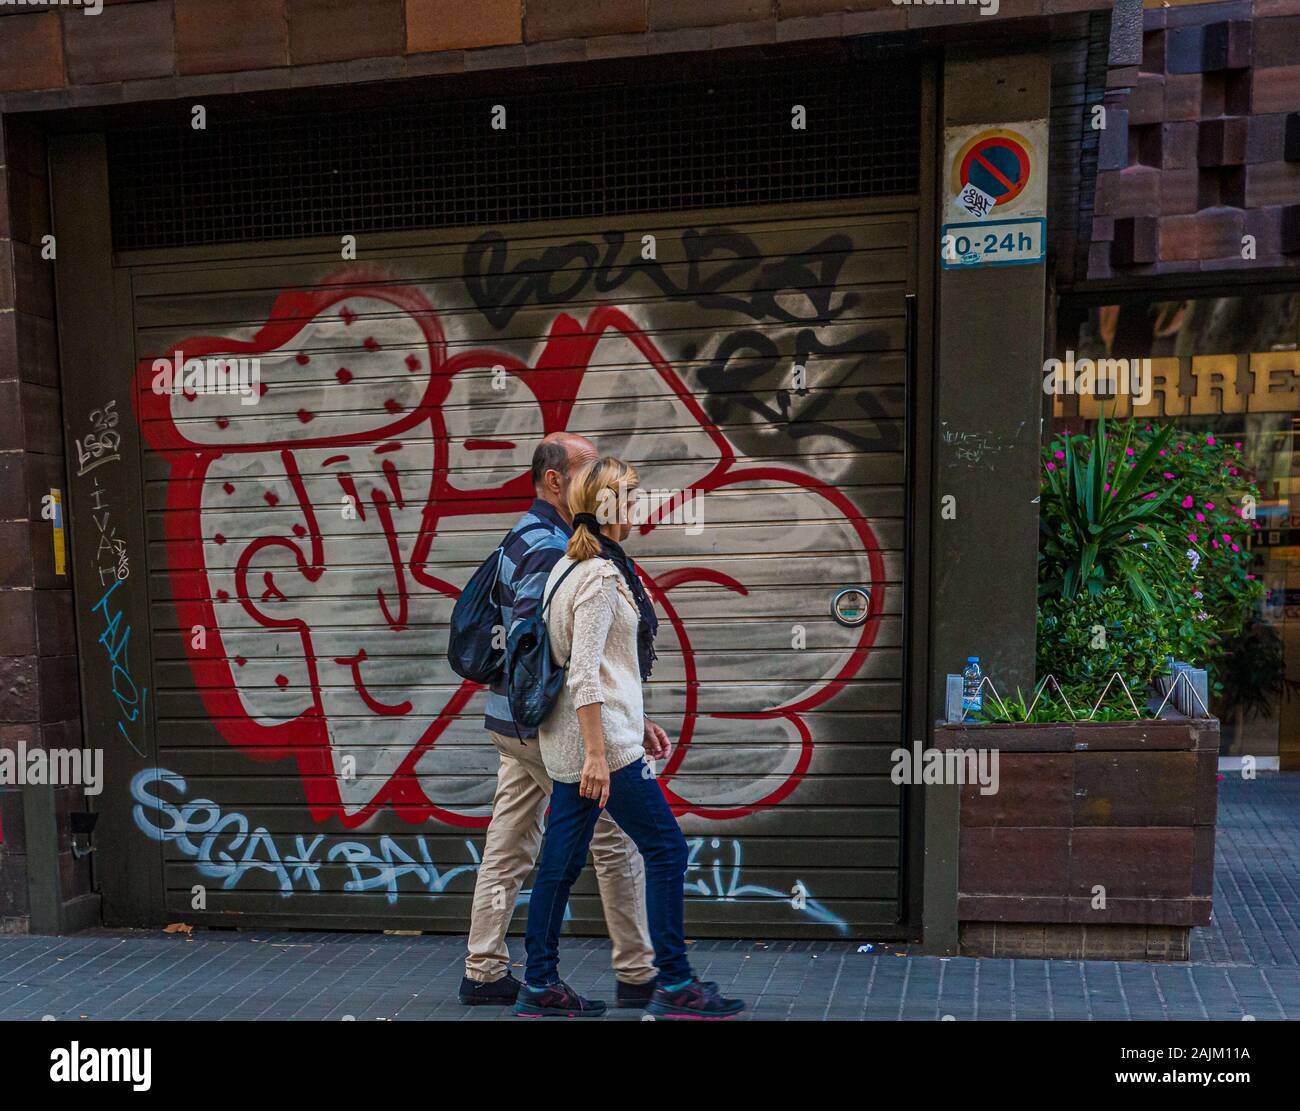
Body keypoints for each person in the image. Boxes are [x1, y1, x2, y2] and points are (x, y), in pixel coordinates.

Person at [514, 456, 745, 1019]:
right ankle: (674, 982)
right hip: (603, 750)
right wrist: (601, 751)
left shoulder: (570, 567)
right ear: (612, 506)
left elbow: (597, 665)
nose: (639, 507)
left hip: (585, 739)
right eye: (632, 497)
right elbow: (584, 672)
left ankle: (539, 984)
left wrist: (637, 720)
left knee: (560, 865)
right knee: (667, 849)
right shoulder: (596, 576)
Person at [460, 433, 665, 1008]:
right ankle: (637, 971)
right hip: (551, 727)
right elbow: (559, 652)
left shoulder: (518, 537)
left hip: (509, 721)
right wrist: (602, 735)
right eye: (585, 470)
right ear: (555, 481)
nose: (598, 478)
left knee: (509, 846)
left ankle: (483, 970)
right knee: (615, 838)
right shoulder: (556, 547)